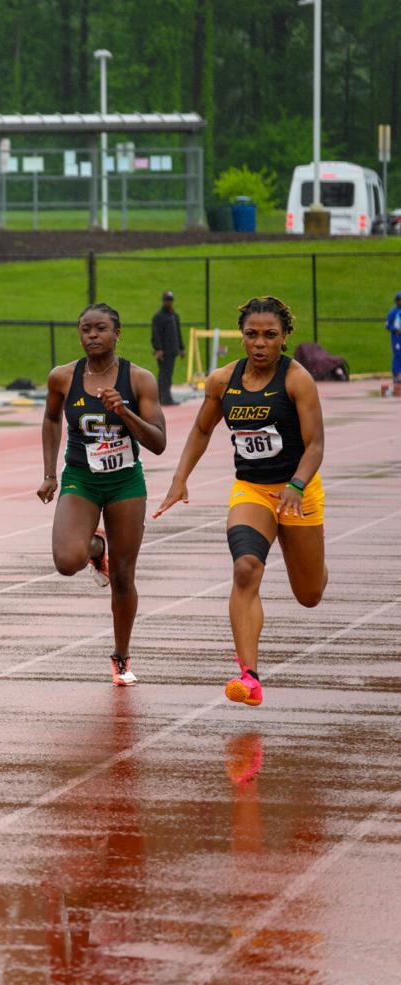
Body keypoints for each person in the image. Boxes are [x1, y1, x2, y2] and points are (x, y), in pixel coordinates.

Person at [154, 297, 327, 708]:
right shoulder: (222, 381)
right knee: (246, 568)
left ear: (285, 338)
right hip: (251, 490)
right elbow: (200, 429)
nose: (260, 343)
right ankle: (249, 676)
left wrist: (297, 485)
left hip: (297, 490)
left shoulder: (297, 380)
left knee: (310, 594)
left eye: (270, 335)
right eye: (252, 335)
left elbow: (316, 443)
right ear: (242, 336)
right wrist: (179, 479)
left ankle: (317, 566)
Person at [37, 302, 167, 686]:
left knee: (125, 575)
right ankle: (95, 548)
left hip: (126, 480)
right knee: (66, 560)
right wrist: (49, 474)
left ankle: (121, 655)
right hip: (81, 475)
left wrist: (124, 413)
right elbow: (50, 418)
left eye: (100, 329)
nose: (92, 336)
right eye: (85, 330)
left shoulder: (139, 379)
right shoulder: (63, 377)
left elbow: (158, 442)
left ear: (117, 333)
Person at [151, 290, 184, 406]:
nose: (168, 302)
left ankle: (165, 397)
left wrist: (181, 348)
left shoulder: (174, 316)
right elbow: (156, 334)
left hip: (173, 350)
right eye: (166, 300)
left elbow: (178, 333)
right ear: (163, 301)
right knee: (164, 375)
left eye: (170, 300)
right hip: (163, 352)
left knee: (168, 375)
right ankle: (164, 398)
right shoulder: (158, 317)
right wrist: (158, 349)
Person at [387, 290, 401, 385]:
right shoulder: (392, 313)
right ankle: (395, 375)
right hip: (397, 338)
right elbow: (387, 325)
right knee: (398, 355)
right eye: (399, 300)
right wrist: (396, 330)